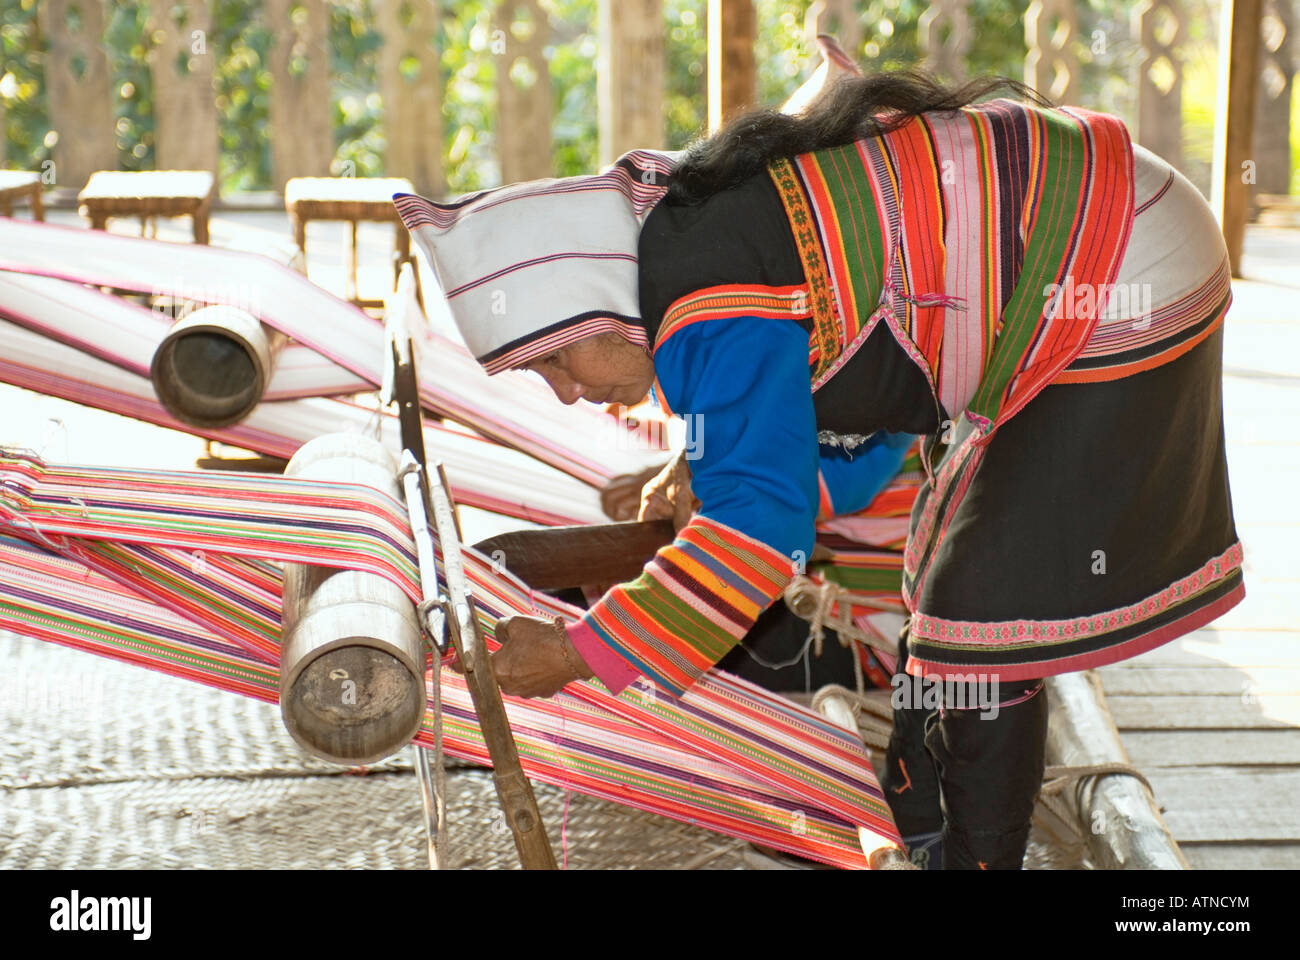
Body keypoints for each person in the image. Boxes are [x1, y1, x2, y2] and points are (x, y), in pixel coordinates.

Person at [394, 72, 1243, 869]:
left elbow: (763, 529)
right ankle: (926, 832)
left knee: (986, 609)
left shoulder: (699, 302)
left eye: (555, 363)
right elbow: (801, 405)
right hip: (1103, 227)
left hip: (1119, 260)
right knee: (952, 597)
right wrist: (702, 468)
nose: (570, 396)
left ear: (597, 309)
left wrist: (580, 651)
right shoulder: (683, 256)